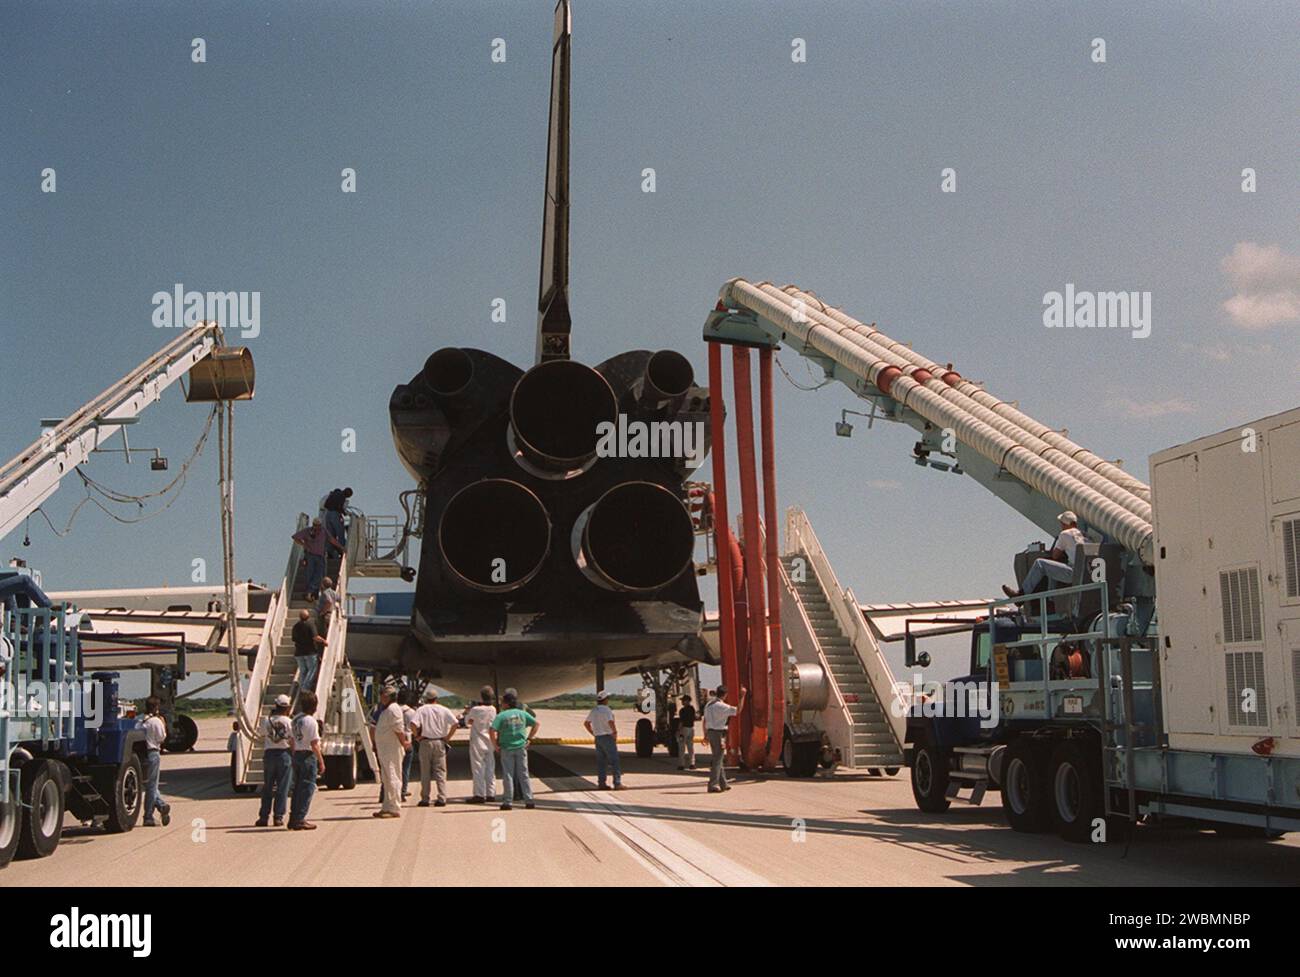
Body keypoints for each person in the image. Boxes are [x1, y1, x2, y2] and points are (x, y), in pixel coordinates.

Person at [1003, 511, 1089, 599]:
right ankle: (1051, 598)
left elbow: (1055, 555)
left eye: (1062, 524)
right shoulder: (1085, 535)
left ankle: (1021, 595)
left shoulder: (1064, 534)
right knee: (1054, 566)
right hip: (1087, 574)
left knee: (1040, 563)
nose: (1061, 526)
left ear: (1065, 524)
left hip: (1073, 573)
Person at [490, 688, 538, 811]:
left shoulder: (501, 715)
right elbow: (536, 724)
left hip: (506, 748)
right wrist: (529, 739)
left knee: (508, 775)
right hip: (521, 747)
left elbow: (492, 730)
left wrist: (495, 745)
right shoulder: (522, 713)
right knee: (524, 774)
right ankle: (529, 800)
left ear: (506, 703)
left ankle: (508, 802)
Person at [412, 688, 458, 807]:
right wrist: (448, 737)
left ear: (426, 699)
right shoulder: (444, 709)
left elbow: (413, 723)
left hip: (425, 742)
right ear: (436, 699)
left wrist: (417, 736)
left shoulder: (421, 710)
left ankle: (425, 799)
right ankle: (442, 797)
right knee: (440, 772)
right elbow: (455, 723)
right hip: (439, 742)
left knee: (425, 772)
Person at [256, 693, 294, 827]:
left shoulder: (266, 720)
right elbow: (292, 739)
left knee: (267, 787)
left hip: (269, 754)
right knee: (282, 787)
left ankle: (263, 817)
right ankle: (278, 817)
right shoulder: (289, 722)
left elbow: (261, 734)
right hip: (284, 754)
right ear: (287, 707)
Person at [289, 691, 325, 830]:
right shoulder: (311, 721)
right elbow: (314, 744)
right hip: (307, 756)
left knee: (297, 788)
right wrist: (321, 761)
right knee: (307, 788)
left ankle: (294, 817)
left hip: (297, 753)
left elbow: (292, 740)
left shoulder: (295, 719)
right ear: (314, 706)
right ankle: (300, 818)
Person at [373, 685, 409, 818]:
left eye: (383, 695)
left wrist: (404, 743)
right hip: (385, 750)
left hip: (391, 749)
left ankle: (394, 808)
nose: (381, 697)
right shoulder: (386, 709)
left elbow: (398, 729)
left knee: (393, 776)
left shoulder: (393, 709)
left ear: (388, 696)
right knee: (386, 778)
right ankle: (386, 806)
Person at [703, 685, 747, 793]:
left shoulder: (709, 704)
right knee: (718, 759)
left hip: (710, 731)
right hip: (718, 733)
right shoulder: (721, 706)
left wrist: (705, 735)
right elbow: (737, 711)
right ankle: (713, 784)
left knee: (718, 757)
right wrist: (742, 696)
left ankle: (723, 783)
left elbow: (705, 720)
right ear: (725, 695)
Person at [292, 517, 343, 602]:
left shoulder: (323, 531)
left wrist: (341, 547)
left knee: (320, 575)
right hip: (310, 555)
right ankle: (310, 593)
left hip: (320, 556)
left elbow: (331, 539)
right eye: (315, 525)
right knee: (310, 574)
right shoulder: (308, 531)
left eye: (318, 526)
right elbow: (295, 537)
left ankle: (311, 592)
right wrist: (304, 545)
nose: (317, 528)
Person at [462, 686, 497, 804]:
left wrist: (468, 712)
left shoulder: (475, 709)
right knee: (490, 768)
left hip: (477, 741)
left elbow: (468, 722)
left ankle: (479, 794)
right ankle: (491, 793)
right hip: (490, 741)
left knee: (478, 768)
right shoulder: (493, 709)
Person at [140, 696, 172, 827]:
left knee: (148, 785)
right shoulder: (156, 722)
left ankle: (161, 805)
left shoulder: (140, 720)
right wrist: (163, 723)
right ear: (156, 707)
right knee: (152, 785)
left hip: (141, 754)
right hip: (153, 753)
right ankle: (148, 816)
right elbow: (162, 738)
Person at [583, 690, 624, 790]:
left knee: (601, 762)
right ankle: (617, 783)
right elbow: (610, 721)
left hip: (598, 738)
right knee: (614, 761)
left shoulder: (594, 710)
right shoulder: (607, 710)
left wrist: (593, 733)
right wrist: (614, 732)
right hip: (607, 736)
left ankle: (602, 783)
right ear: (605, 700)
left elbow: (586, 723)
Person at [291, 608, 325, 694]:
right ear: (308, 616)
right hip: (310, 652)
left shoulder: (295, 626)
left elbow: (294, 639)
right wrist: (324, 641)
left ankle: (302, 687)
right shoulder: (310, 625)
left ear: (299, 617)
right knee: (312, 670)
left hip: (298, 652)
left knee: (303, 671)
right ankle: (305, 688)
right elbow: (315, 637)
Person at [322, 487, 352, 557]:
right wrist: (345, 513)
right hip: (335, 514)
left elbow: (325, 505)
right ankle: (342, 551)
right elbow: (339, 507)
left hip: (327, 514)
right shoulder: (342, 496)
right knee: (340, 532)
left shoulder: (332, 495)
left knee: (330, 535)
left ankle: (330, 552)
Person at [399, 689, 417, 800]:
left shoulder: (392, 710)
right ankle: (403, 791)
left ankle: (386, 792)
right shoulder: (411, 712)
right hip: (407, 742)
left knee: (393, 768)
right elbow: (416, 726)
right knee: (405, 768)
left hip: (395, 741)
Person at [676, 694, 697, 770]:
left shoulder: (682, 710)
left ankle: (681, 764)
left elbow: (681, 721)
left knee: (681, 747)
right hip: (691, 728)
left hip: (684, 729)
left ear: (686, 701)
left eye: (683, 701)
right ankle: (692, 763)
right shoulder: (692, 709)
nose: (682, 702)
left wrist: (679, 730)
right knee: (690, 747)